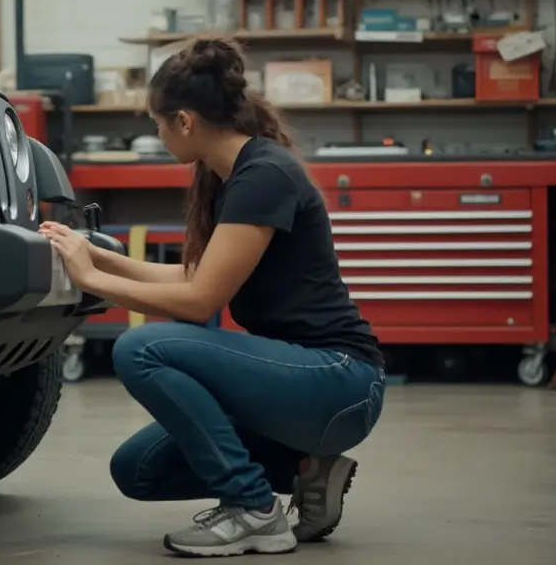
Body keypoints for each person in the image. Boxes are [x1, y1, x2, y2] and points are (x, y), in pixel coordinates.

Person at [39, 38, 385, 558]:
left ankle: (254, 511)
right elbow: (194, 276)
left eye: (157, 124)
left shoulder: (263, 174)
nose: (156, 136)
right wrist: (95, 255)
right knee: (136, 469)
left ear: (184, 121)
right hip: (296, 380)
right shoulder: (232, 176)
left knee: (140, 349)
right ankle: (306, 469)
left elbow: (200, 302)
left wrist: (95, 280)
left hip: (340, 380)